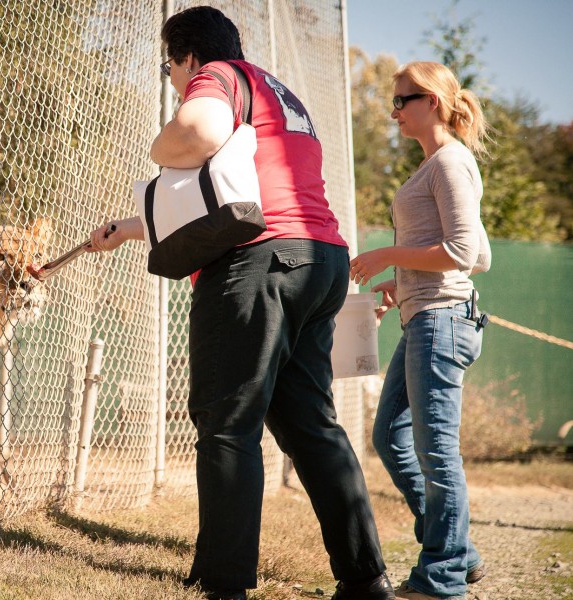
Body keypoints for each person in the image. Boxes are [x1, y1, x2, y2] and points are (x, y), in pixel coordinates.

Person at [86, 7, 394, 600]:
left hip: (260, 264)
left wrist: (160, 148)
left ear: (188, 55)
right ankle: (365, 578)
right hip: (318, 258)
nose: (172, 81)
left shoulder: (217, 77)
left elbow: (198, 134)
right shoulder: (279, 92)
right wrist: (130, 227)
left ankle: (224, 586)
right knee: (310, 425)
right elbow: (231, 198)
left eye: (169, 68)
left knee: (227, 424)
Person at [349, 61, 492, 600]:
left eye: (403, 100)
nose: (394, 112)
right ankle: (460, 552)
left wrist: (388, 254)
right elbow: (479, 253)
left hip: (441, 323)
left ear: (431, 100)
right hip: (424, 317)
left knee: (436, 453)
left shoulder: (450, 163)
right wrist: (400, 281)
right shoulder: (438, 165)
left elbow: (461, 253)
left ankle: (442, 577)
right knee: (390, 437)